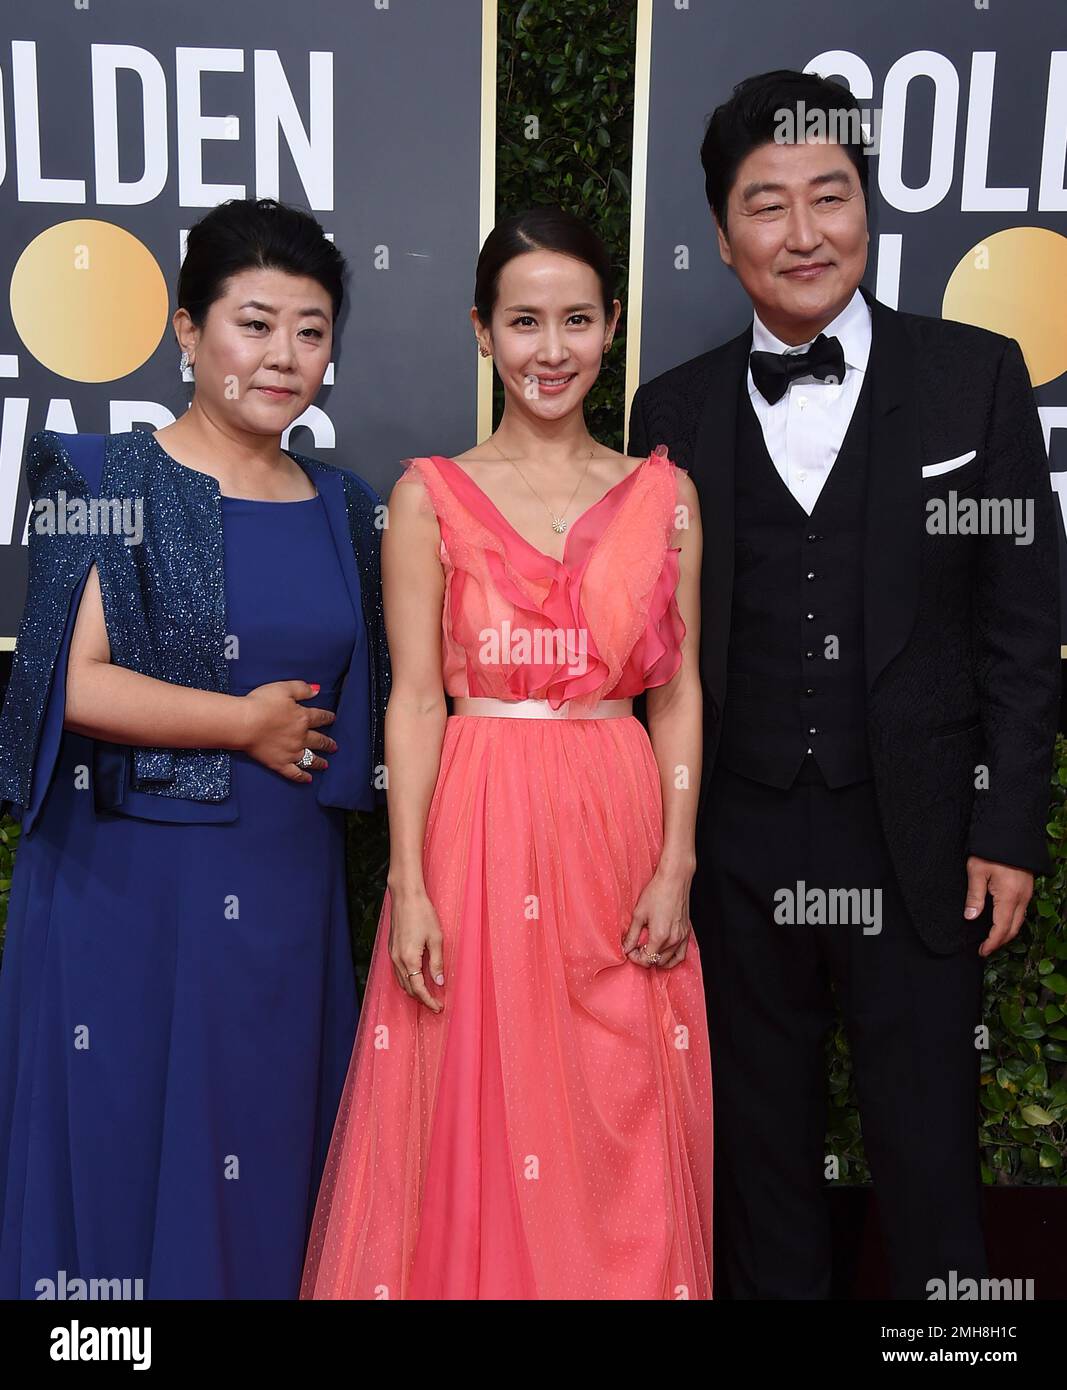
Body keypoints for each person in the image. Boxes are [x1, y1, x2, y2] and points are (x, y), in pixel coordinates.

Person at [627, 70, 1061, 1299]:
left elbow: (1020, 626)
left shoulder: (972, 377)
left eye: (830, 195)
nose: (802, 231)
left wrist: (1004, 825)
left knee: (926, 1146)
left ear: (867, 210)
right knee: (753, 1154)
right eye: (766, 203)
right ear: (720, 235)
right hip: (737, 834)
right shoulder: (672, 409)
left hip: (911, 829)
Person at [301, 207, 712, 1300]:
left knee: (613, 1109)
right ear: (481, 333)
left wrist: (674, 861)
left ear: (611, 325)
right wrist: (411, 882)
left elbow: (675, 697)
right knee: (473, 1109)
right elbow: (416, 704)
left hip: (618, 822)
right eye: (522, 322)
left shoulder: (664, 497)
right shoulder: (426, 498)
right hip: (475, 827)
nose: (550, 349)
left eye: (575, 319)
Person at [0, 197, 389, 1299]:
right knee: (125, 1152)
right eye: (254, 323)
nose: (283, 357)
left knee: (261, 1154)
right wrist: (243, 722)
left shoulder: (346, 507)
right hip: (124, 883)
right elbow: (67, 682)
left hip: (281, 888)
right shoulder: (99, 476)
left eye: (311, 332)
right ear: (186, 330)